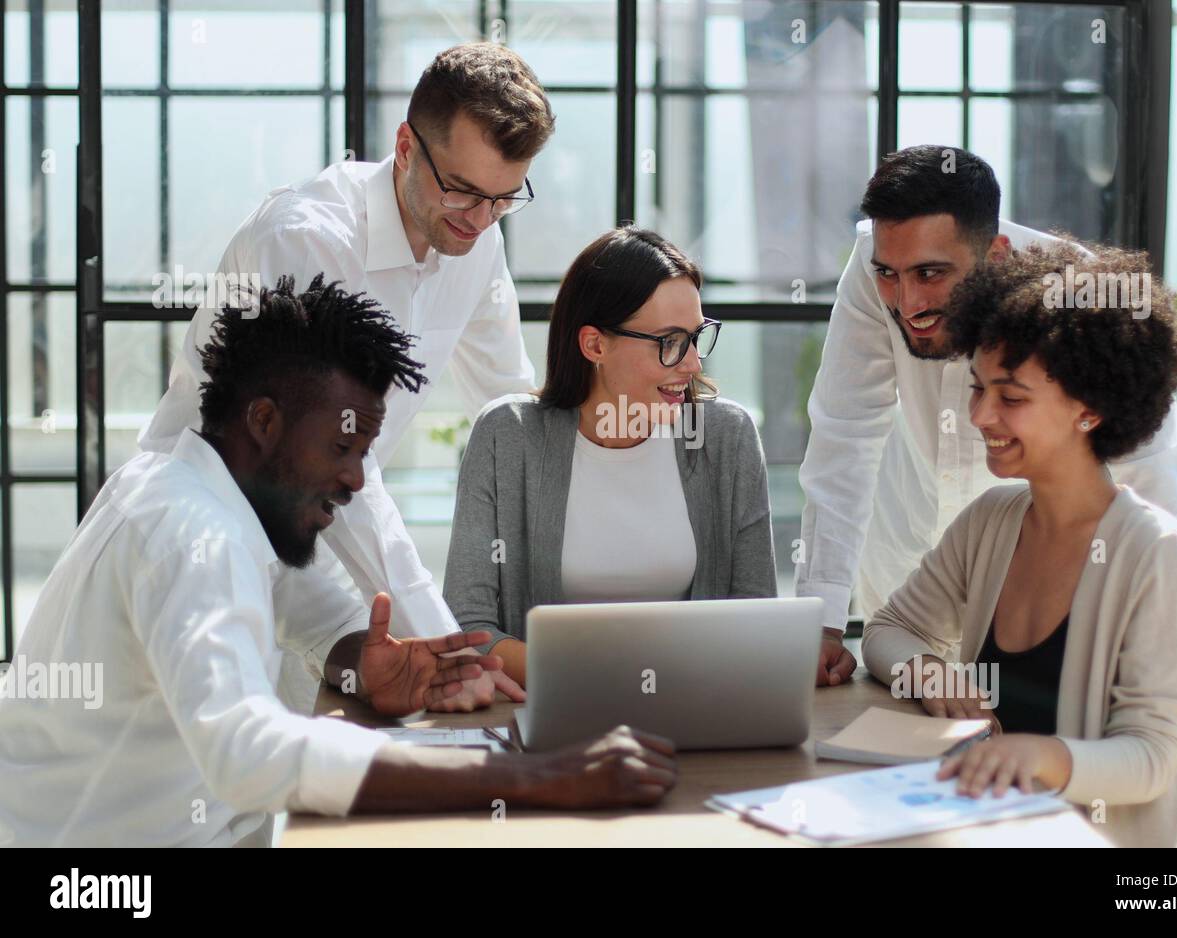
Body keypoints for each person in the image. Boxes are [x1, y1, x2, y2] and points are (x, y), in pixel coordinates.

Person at [0, 277, 676, 848]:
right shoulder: (195, 537)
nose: (355, 481)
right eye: (343, 448)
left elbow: (317, 619)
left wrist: (364, 668)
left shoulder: (178, 485)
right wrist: (541, 778)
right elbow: (246, 750)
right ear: (264, 422)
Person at [140, 42, 559, 711]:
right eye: (461, 189)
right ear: (405, 146)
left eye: (504, 199)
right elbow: (326, 459)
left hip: (317, 554)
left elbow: (509, 413)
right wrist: (444, 641)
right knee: (205, 791)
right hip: (205, 540)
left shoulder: (477, 246)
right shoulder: (307, 241)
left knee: (312, 783)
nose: (479, 220)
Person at [797, 144, 1177, 700]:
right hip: (905, 559)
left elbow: (1168, 486)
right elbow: (845, 435)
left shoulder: (1077, 297)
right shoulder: (876, 267)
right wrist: (820, 620)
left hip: (1041, 585)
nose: (907, 301)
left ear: (997, 254)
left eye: (931, 274)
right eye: (890, 274)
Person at [860, 245, 1177, 848]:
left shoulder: (1156, 555)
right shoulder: (992, 522)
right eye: (978, 389)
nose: (979, 415)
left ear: (1090, 409)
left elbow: (1153, 756)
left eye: (1011, 398)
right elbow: (888, 628)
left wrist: (1040, 757)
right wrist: (929, 673)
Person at [442, 227, 778, 687]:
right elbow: (469, 629)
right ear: (594, 345)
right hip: (552, 718)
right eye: (670, 342)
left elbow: (756, 622)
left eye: (698, 337)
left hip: (695, 706)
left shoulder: (726, 437)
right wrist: (607, 677)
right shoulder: (507, 436)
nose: (694, 363)